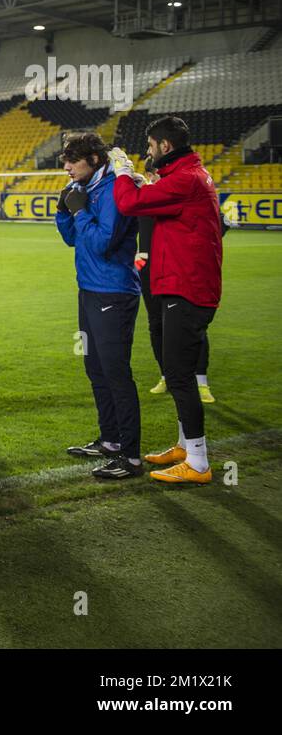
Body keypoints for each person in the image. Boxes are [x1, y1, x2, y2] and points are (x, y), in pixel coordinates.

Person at [112, 115, 223, 485]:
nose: (147, 152)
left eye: (149, 147)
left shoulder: (186, 180)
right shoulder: (190, 176)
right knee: (179, 372)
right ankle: (185, 446)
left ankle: (198, 462)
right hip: (183, 284)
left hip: (186, 288)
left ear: (165, 146)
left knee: (177, 372)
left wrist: (124, 172)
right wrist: (146, 182)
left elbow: (129, 203)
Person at [55, 132, 143, 479]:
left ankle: (132, 457)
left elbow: (103, 242)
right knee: (94, 368)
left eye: (71, 161)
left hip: (113, 293)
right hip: (89, 291)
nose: (66, 167)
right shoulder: (89, 189)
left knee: (116, 374)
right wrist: (65, 211)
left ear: (93, 159)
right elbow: (72, 239)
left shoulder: (114, 191)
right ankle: (110, 441)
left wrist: (79, 212)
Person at [138, 213, 214, 403]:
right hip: (149, 270)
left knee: (191, 324)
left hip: (179, 269)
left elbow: (215, 223)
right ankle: (166, 377)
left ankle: (201, 382)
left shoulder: (180, 193)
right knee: (156, 324)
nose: (153, 179)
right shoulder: (143, 198)